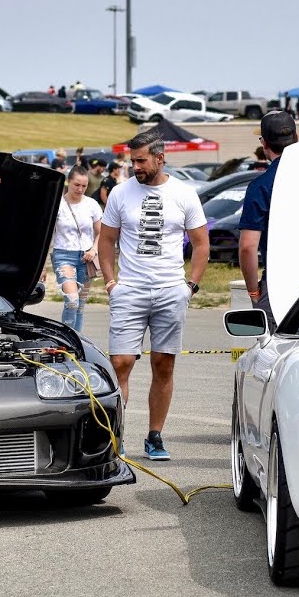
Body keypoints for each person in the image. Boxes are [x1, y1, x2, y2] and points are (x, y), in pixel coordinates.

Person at [96, 131, 209, 461]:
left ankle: (155, 436)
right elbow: (107, 240)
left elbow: (201, 243)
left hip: (170, 290)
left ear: (161, 158)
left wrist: (190, 286)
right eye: (132, 161)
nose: (135, 167)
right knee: (120, 363)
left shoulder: (184, 193)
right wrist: (111, 282)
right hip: (129, 290)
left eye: (141, 160)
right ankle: (115, 437)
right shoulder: (120, 193)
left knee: (163, 365)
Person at [238, 111, 297, 326]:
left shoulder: (261, 186)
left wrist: (254, 291)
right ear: (296, 138)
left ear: (264, 143)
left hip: (279, 283)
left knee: (273, 342)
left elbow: (247, 247)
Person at [51, 165, 103, 332]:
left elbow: (101, 232)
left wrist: (94, 249)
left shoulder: (91, 204)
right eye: (77, 185)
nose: (80, 189)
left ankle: (77, 341)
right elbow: (48, 236)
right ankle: (66, 339)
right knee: (72, 301)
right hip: (63, 255)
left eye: (84, 186)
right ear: (69, 182)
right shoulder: (57, 204)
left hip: (86, 258)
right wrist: (42, 266)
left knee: (80, 306)